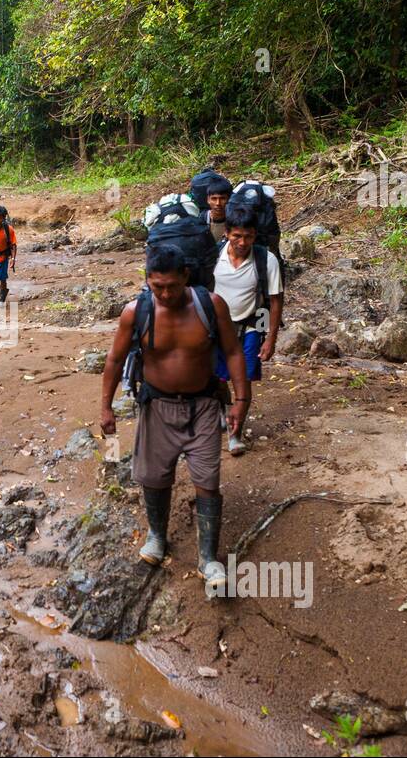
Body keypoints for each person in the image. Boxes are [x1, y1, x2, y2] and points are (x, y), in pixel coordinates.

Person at [101, 242, 251, 593]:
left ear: (186, 276)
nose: (165, 294)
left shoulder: (209, 306)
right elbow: (113, 360)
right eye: (157, 287)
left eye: (171, 285)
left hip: (202, 406)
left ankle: (208, 557)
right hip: (157, 406)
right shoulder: (135, 312)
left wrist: (242, 399)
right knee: (153, 477)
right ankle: (156, 535)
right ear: (148, 281)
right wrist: (106, 407)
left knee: (207, 480)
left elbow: (232, 351)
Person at [212, 203, 283, 456]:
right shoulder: (214, 257)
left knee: (244, 380)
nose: (243, 242)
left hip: (251, 327)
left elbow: (275, 300)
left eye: (249, 236)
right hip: (217, 329)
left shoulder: (266, 260)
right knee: (219, 378)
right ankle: (223, 409)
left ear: (256, 234)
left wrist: (270, 339)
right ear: (227, 233)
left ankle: (236, 433)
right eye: (237, 236)